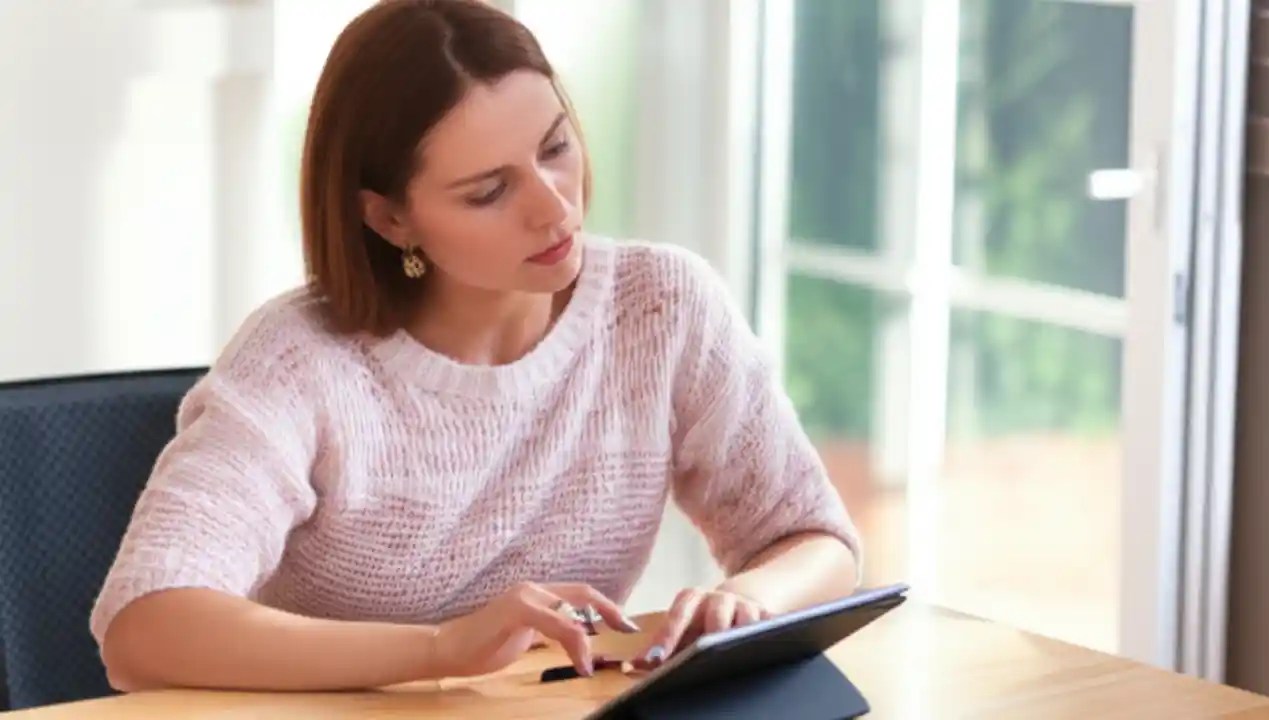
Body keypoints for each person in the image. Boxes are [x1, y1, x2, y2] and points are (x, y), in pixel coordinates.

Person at [91, 0, 861, 693]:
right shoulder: (300, 363)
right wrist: (439, 649)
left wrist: (753, 600)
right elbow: (143, 628)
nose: (554, 206)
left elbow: (814, 538)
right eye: (489, 191)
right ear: (391, 220)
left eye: (556, 147)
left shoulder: (662, 307)